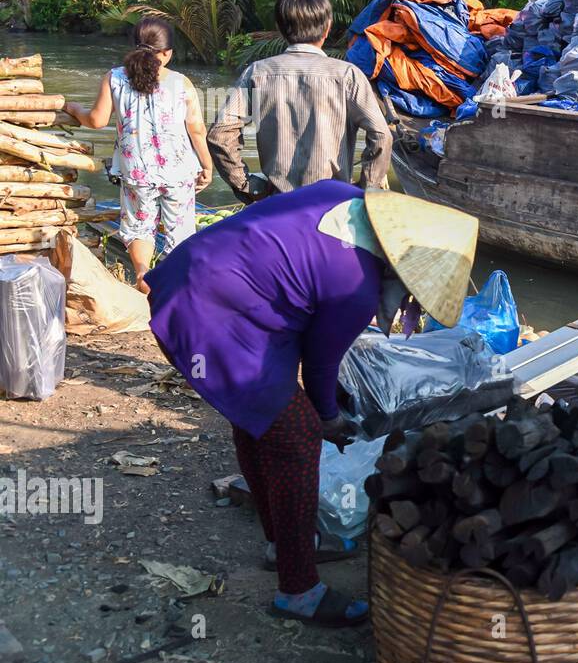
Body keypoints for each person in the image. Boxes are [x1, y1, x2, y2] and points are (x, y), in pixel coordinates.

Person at [144, 181, 479, 626]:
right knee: (297, 433)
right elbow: (320, 366)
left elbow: (295, 274)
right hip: (209, 313)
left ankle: (281, 545)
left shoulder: (340, 193)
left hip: (199, 278)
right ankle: (298, 591)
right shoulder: (357, 286)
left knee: (260, 418)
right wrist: (329, 418)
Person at [63, 17, 214, 292]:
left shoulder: (115, 78)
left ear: (135, 46)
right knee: (180, 232)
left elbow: (96, 120)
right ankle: (175, 288)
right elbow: (197, 129)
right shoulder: (181, 83)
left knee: (139, 228)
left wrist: (73, 108)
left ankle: (143, 274)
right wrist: (207, 164)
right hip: (178, 170)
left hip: (137, 170)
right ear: (167, 53)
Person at [207, 0, 393, 202]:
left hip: (278, 204)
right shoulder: (347, 76)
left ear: (280, 28)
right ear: (328, 28)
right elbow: (381, 136)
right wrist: (365, 189)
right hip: (331, 205)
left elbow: (219, 134)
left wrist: (248, 185)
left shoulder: (258, 73)